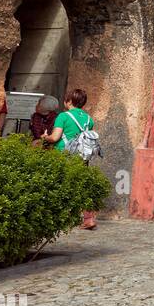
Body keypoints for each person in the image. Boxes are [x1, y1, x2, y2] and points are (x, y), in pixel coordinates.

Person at [45, 88, 99, 230]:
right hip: (82, 157)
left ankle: (59, 219)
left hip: (64, 154)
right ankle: (89, 219)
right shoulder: (89, 119)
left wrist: (45, 137)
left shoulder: (63, 116)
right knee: (81, 185)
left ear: (69, 101)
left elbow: (55, 137)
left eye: (66, 100)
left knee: (59, 184)